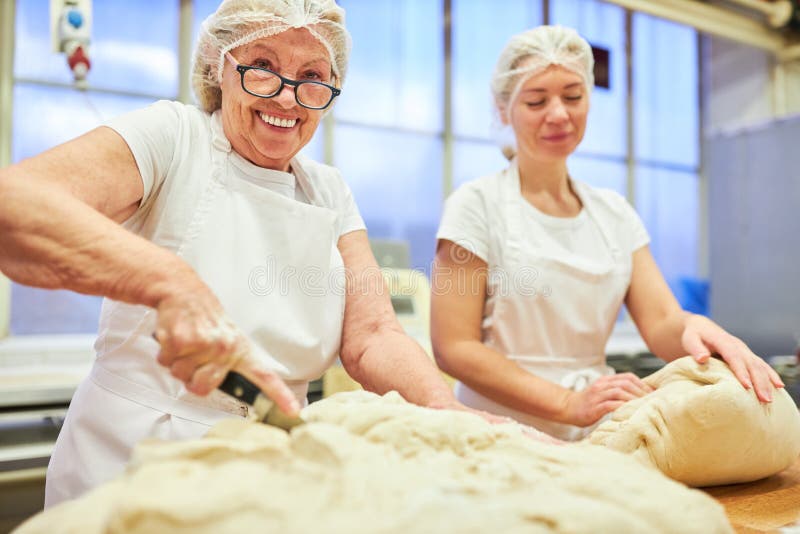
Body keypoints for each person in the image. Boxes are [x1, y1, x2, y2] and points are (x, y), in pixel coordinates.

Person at [0, 0, 466, 507]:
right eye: (262, 68)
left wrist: (446, 411)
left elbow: (373, 334)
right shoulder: (174, 138)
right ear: (217, 66)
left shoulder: (328, 191)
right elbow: (15, 207)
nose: (286, 99)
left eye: (311, 76)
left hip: (268, 463)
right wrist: (169, 281)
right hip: (133, 462)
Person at [430, 25, 785, 442]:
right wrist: (566, 403)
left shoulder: (614, 214)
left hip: (600, 430)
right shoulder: (473, 206)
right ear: (504, 109)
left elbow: (663, 321)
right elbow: (454, 346)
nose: (559, 113)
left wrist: (697, 329)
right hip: (496, 434)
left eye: (573, 96)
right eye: (537, 100)